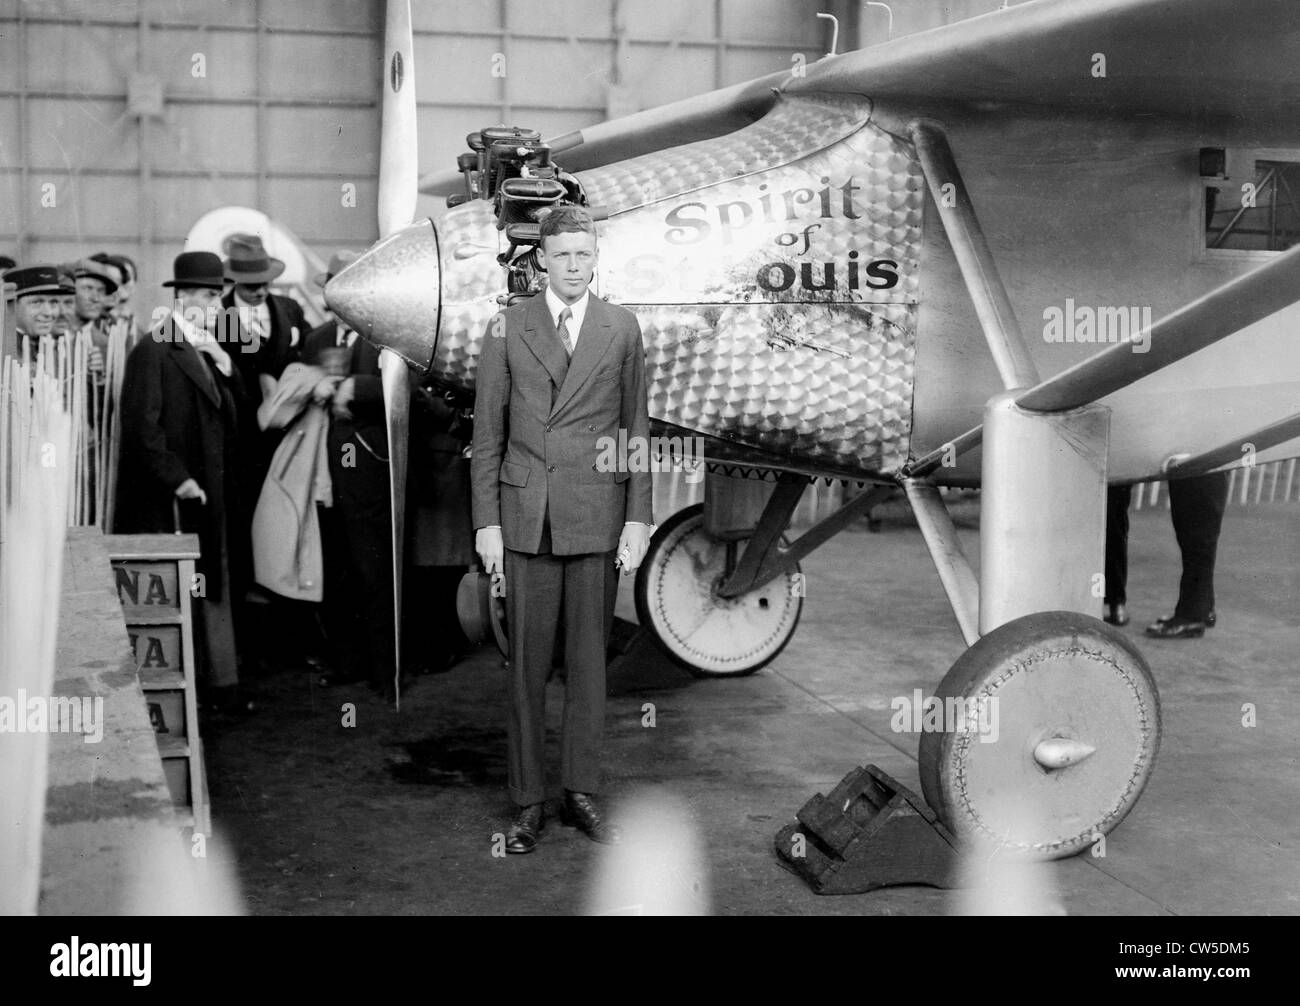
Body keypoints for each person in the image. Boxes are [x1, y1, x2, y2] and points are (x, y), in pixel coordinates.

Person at [471, 205, 653, 854]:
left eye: (584, 255)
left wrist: (637, 516)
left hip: (596, 517)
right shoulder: (506, 328)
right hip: (527, 521)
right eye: (563, 255)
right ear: (541, 259)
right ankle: (527, 802)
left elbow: (635, 432)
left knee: (588, 667)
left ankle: (580, 790)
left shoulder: (622, 329)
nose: (574, 266)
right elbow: (487, 436)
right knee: (525, 669)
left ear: (595, 257)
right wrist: (487, 523)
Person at [115, 251, 253, 711]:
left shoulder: (205, 349)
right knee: (189, 591)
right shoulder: (154, 349)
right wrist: (179, 480)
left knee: (212, 587)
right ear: (185, 297)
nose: (217, 306)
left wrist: (227, 368)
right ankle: (195, 694)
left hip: (211, 491)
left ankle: (217, 688)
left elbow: (234, 418)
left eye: (218, 297)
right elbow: (141, 428)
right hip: (178, 498)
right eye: (210, 297)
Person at [299, 250, 396, 692]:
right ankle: (345, 661)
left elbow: (405, 389)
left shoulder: (385, 334)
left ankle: (383, 669)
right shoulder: (316, 338)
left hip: (367, 474)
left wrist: (355, 388)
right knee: (336, 569)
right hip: (321, 473)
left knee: (372, 570)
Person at [1145, 471, 1228, 638]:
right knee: (1195, 540)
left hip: (1201, 465)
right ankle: (1202, 609)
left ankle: (1192, 615)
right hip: (1199, 466)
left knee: (1197, 540)